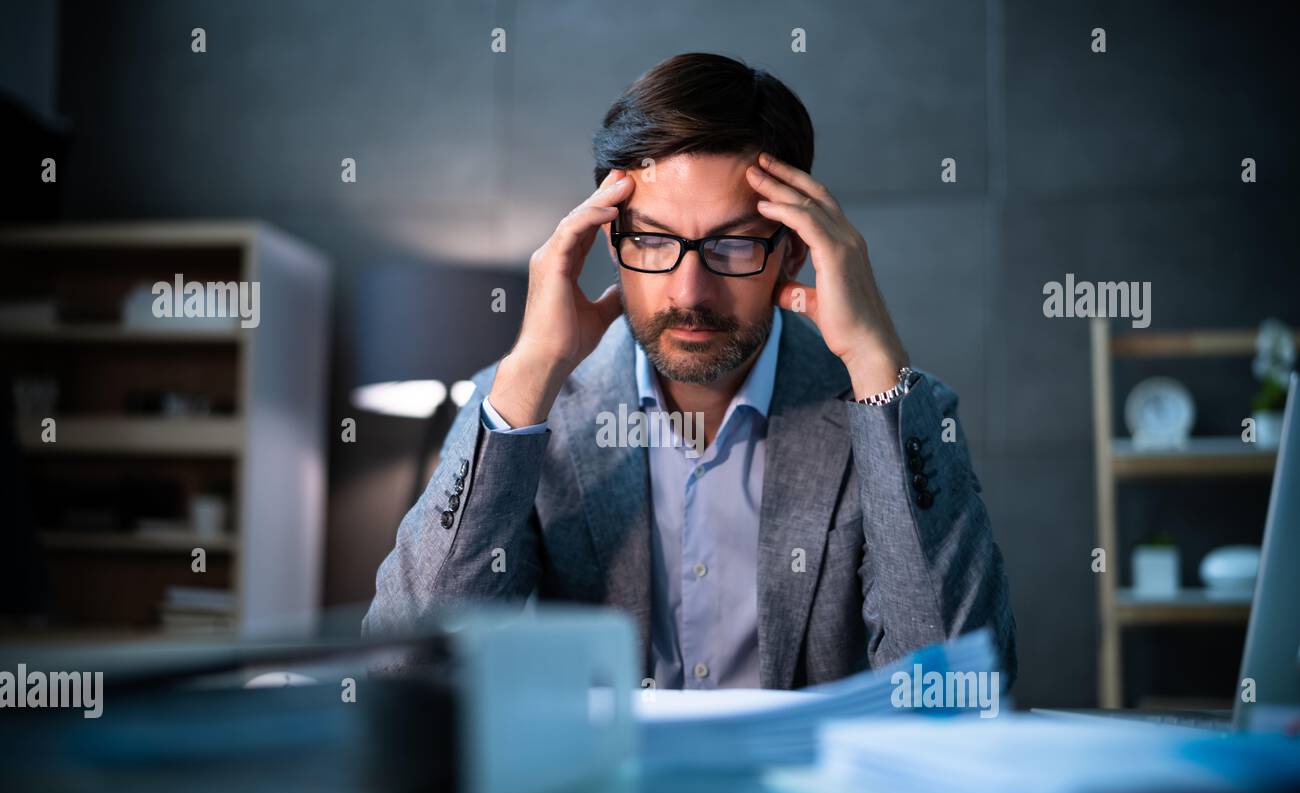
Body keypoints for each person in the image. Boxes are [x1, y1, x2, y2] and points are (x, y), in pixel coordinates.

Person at [365, 52, 1016, 691]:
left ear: (793, 251)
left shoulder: (887, 415)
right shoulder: (528, 408)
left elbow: (955, 693)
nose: (688, 292)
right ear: (609, 243)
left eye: (732, 243)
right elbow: (403, 675)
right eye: (651, 240)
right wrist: (532, 368)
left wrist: (875, 361)